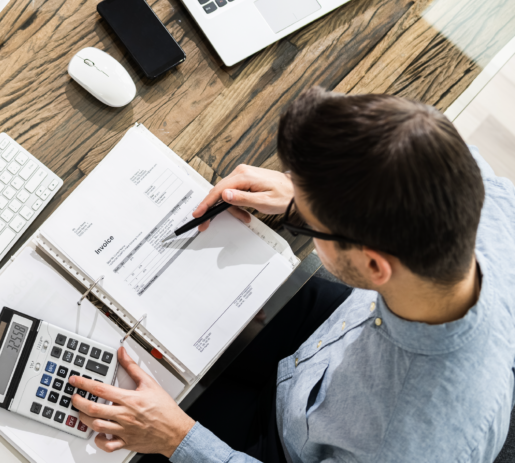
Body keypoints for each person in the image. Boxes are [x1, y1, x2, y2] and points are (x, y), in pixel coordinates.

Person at [67, 87, 515, 462]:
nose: (298, 217)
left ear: (375, 264)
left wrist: (176, 439)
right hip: (328, 337)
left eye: (306, 221)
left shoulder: (410, 443)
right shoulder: (479, 192)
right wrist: (302, 194)